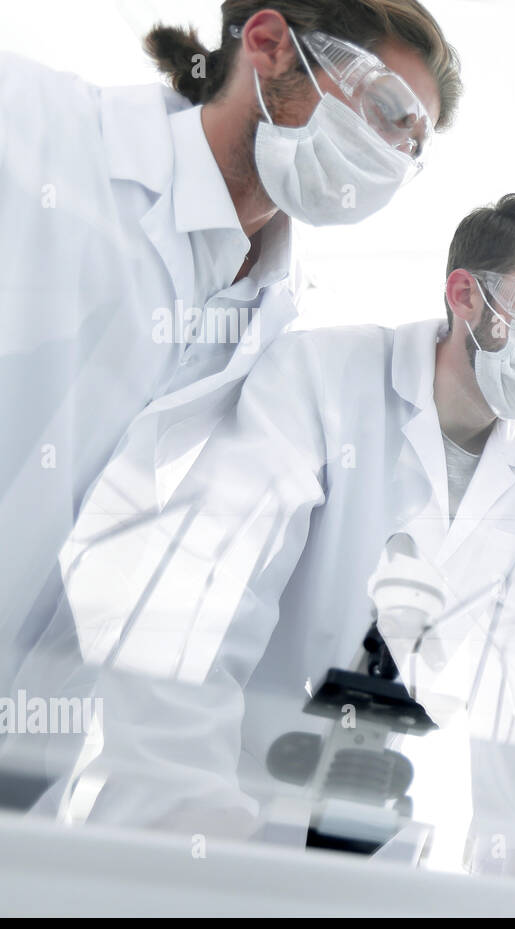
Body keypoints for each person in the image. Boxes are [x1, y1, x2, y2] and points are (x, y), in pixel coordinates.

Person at [25, 195, 515, 883]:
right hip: (213, 789)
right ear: (466, 294)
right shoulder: (327, 376)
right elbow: (203, 593)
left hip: (354, 815)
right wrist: (192, 810)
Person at [0, 2, 461, 722]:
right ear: (270, 43)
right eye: (384, 109)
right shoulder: (30, 123)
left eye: (411, 144)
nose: (391, 157)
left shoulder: (280, 322)